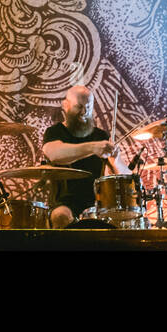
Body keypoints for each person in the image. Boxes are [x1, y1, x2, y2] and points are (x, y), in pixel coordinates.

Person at [40, 85, 128, 228]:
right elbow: (54, 153)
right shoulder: (54, 132)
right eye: (79, 107)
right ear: (66, 105)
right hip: (65, 203)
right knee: (60, 216)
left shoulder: (101, 136)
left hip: (99, 205)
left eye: (88, 107)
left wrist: (116, 159)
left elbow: (125, 176)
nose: (84, 112)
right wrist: (93, 147)